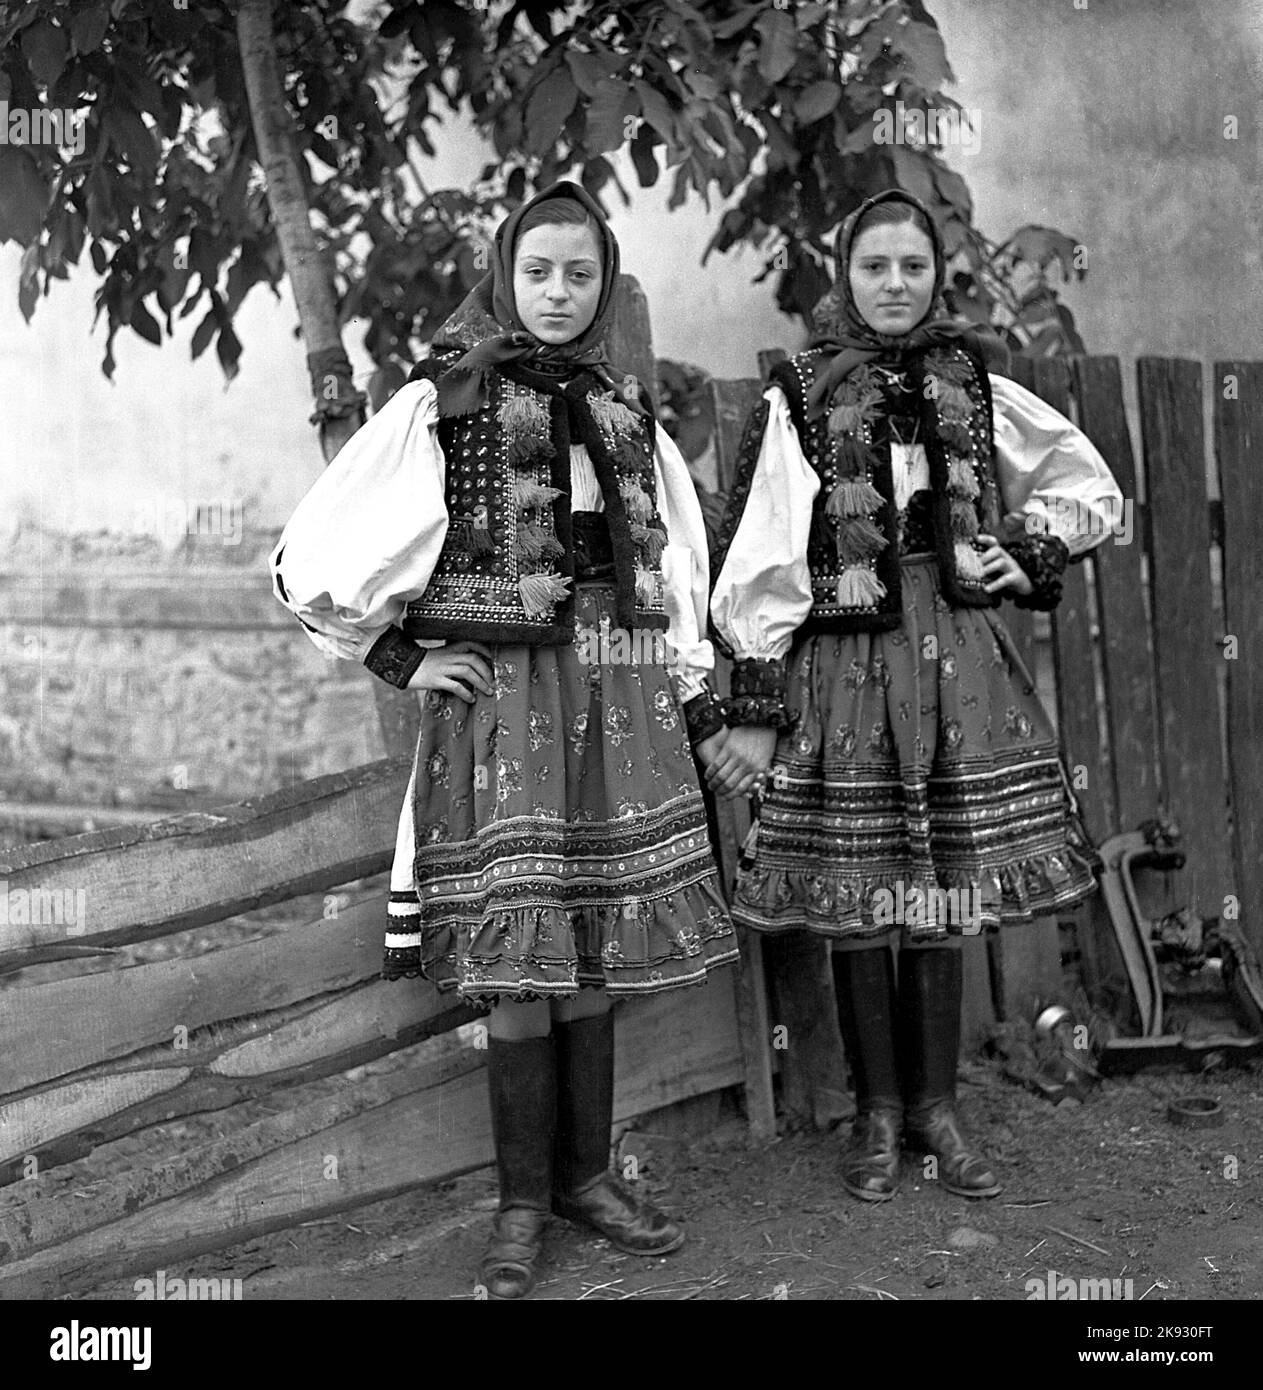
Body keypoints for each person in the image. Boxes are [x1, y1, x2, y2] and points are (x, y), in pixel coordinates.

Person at [269, 182, 737, 1297]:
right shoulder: (446, 403)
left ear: (606, 284)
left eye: (582, 275)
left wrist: (690, 689)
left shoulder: (628, 413)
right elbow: (310, 556)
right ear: (505, 277)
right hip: (506, 704)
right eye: (540, 273)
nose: (561, 294)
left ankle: (585, 1175)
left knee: (587, 945)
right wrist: (400, 657)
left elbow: (677, 574)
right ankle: (521, 1201)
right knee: (521, 956)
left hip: (615, 701)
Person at [707, 188, 1122, 1203]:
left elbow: (1087, 484)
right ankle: (876, 1112)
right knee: (860, 895)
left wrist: (1023, 549)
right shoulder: (802, 393)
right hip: (846, 660)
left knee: (937, 891)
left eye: (913, 267)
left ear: (939, 276)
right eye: (874, 267)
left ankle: (938, 1106)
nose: (895, 285)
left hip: (956, 659)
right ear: (843, 277)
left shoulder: (971, 383)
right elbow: (763, 552)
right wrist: (758, 710)